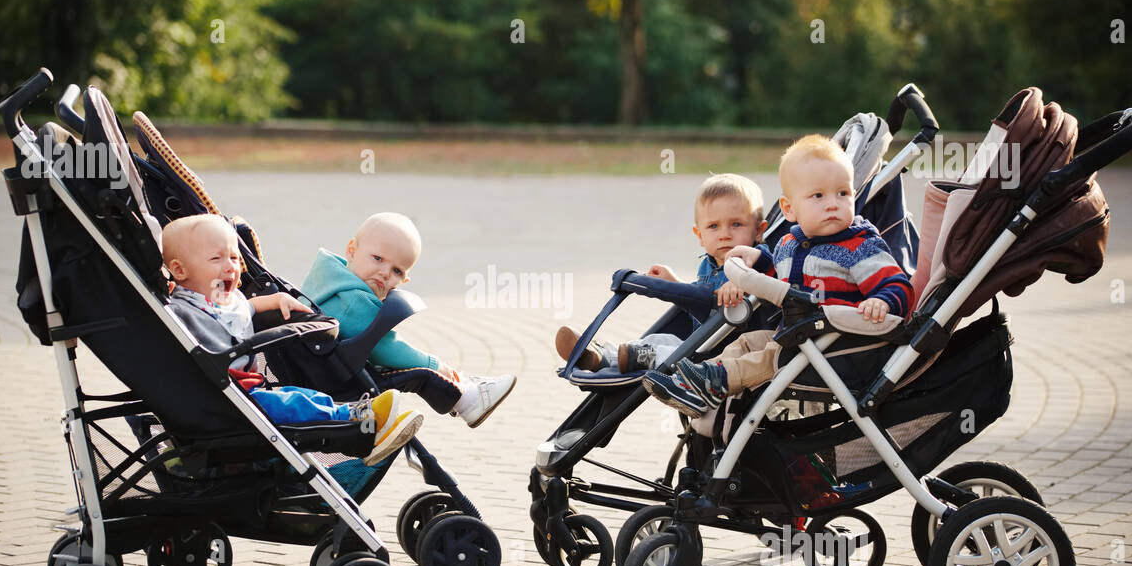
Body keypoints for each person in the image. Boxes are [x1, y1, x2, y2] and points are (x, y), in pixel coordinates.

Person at [644, 134, 914, 416]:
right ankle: (698, 384)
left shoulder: (860, 246)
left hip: (840, 347)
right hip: (799, 338)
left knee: (770, 357)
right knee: (747, 342)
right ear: (789, 209)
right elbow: (777, 276)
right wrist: (758, 259)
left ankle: (714, 384)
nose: (833, 204)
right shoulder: (788, 244)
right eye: (818, 196)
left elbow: (897, 284)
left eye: (843, 193)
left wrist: (883, 300)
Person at [162, 214, 423, 466]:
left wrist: (276, 300)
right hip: (224, 400)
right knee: (294, 405)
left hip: (244, 393)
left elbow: (247, 308)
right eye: (216, 258)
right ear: (179, 270)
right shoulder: (181, 309)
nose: (230, 266)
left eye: (233, 257)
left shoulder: (223, 300)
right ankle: (359, 423)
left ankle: (361, 423)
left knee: (301, 396)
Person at [300, 212, 516, 428]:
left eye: (396, 271)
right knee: (420, 372)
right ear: (351, 250)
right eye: (377, 259)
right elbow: (385, 347)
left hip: (322, 363)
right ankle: (467, 398)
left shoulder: (328, 277)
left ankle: (465, 390)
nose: (385, 273)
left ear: (405, 279)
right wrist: (435, 364)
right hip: (331, 376)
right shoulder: (352, 300)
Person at [554, 173, 770, 372]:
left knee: (670, 352)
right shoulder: (708, 265)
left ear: (758, 230)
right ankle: (601, 356)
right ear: (700, 235)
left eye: (736, 224)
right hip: (700, 343)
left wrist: (744, 280)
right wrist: (674, 283)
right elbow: (700, 298)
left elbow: (766, 269)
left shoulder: (756, 256)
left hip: (728, 356)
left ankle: (628, 359)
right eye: (713, 226)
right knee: (659, 340)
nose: (725, 234)